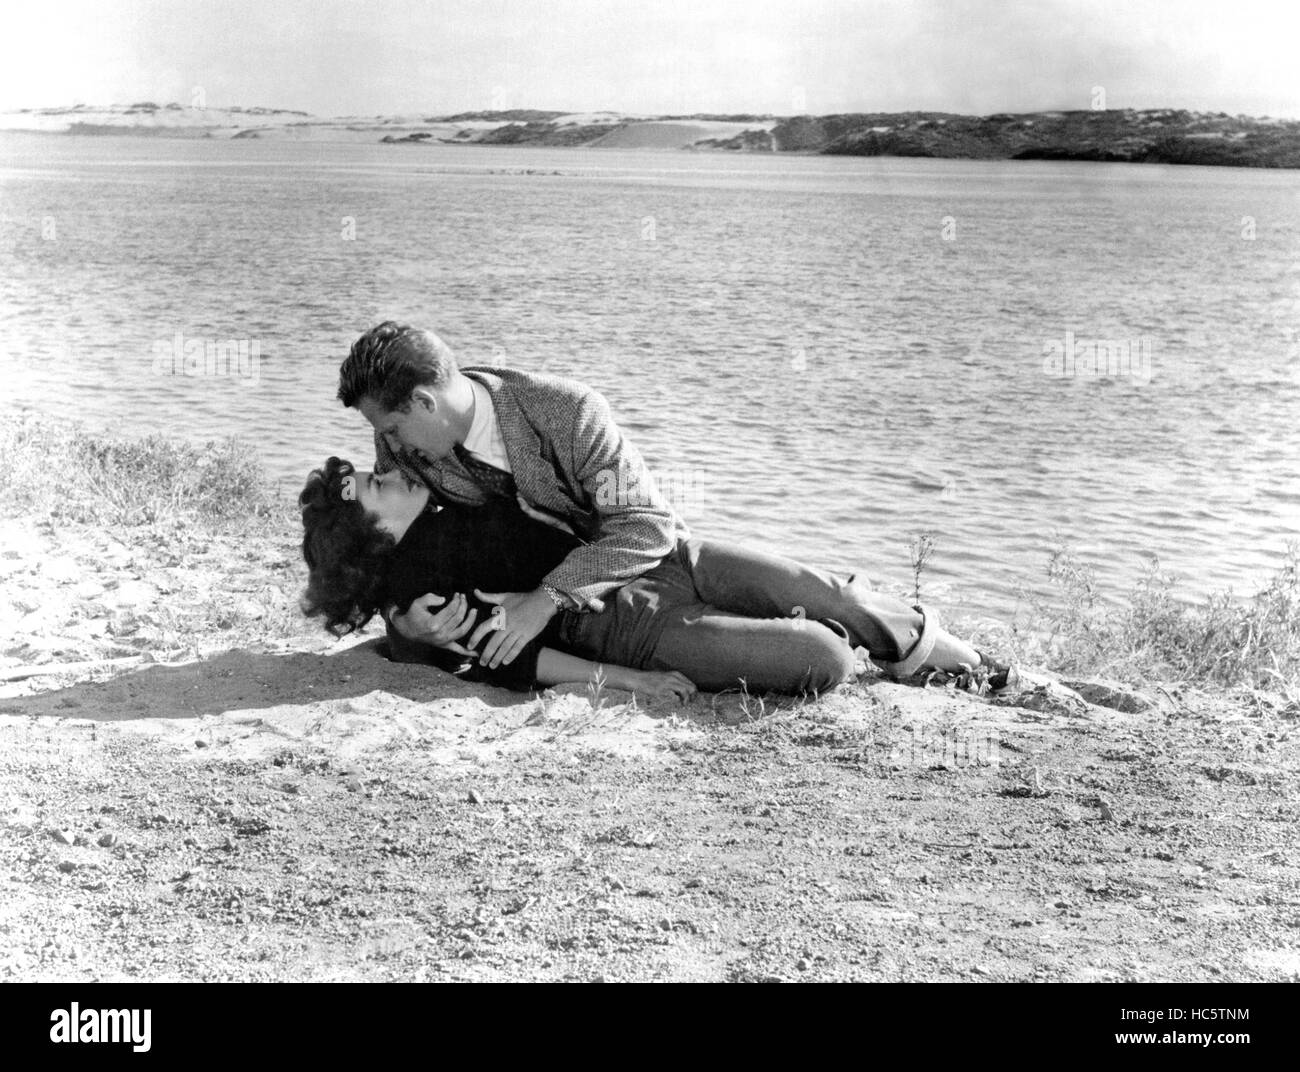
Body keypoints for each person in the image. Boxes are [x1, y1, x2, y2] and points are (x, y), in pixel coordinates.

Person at [334, 321, 1015, 690]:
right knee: (816, 655)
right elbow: (406, 563)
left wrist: (546, 597)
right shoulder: (407, 451)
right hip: (615, 625)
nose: (386, 449)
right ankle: (823, 651)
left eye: (392, 430)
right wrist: (411, 626)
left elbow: (647, 525)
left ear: (425, 402)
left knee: (817, 589)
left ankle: (947, 655)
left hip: (665, 557)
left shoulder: (563, 409)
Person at [299, 456, 860, 697]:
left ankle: (931, 647)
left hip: (662, 557)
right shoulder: (425, 598)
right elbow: (517, 661)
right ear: (376, 537)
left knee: (832, 594)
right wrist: (631, 680)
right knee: (825, 657)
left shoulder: (443, 486)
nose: (392, 474)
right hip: (632, 631)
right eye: (379, 486)